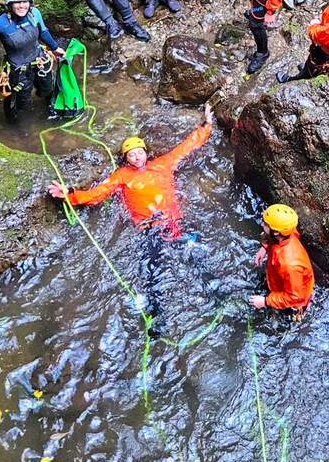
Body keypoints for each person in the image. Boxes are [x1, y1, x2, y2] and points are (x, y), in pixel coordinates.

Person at [48, 103, 214, 320]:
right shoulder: (121, 176)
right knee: (153, 273)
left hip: (174, 223)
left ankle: (215, 290)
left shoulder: (163, 163)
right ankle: (156, 316)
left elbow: (186, 147)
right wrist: (69, 194)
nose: (136, 158)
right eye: (131, 155)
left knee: (197, 255)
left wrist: (206, 125)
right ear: (125, 158)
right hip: (149, 229)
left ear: (146, 152)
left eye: (139, 153)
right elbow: (96, 194)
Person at [248, 203, 314, 319]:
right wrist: (264, 247)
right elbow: (271, 238)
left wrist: (265, 301)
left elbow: (294, 297)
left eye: (265, 224)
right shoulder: (287, 232)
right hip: (280, 282)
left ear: (276, 232)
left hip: (292, 301)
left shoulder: (290, 265)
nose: (262, 225)